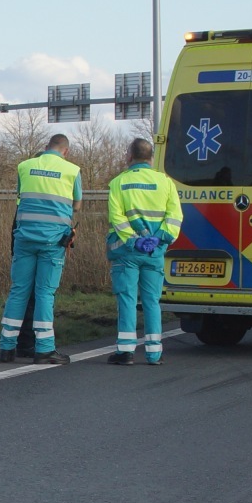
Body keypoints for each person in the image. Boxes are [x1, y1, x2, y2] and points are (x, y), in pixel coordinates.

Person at [0, 133, 82, 364]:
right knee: (44, 293)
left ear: (46, 147)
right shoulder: (72, 170)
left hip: (24, 237)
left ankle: (6, 347)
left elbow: (20, 196)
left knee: (18, 290)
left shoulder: (24, 166)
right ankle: (44, 348)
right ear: (66, 151)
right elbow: (77, 204)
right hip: (52, 241)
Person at [105, 137, 183, 365]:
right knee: (152, 301)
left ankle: (126, 352)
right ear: (151, 158)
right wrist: (158, 238)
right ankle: (154, 353)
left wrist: (134, 240)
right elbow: (175, 217)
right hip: (154, 252)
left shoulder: (118, 183)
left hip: (128, 252)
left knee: (127, 299)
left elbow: (117, 218)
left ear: (129, 156)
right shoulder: (166, 182)